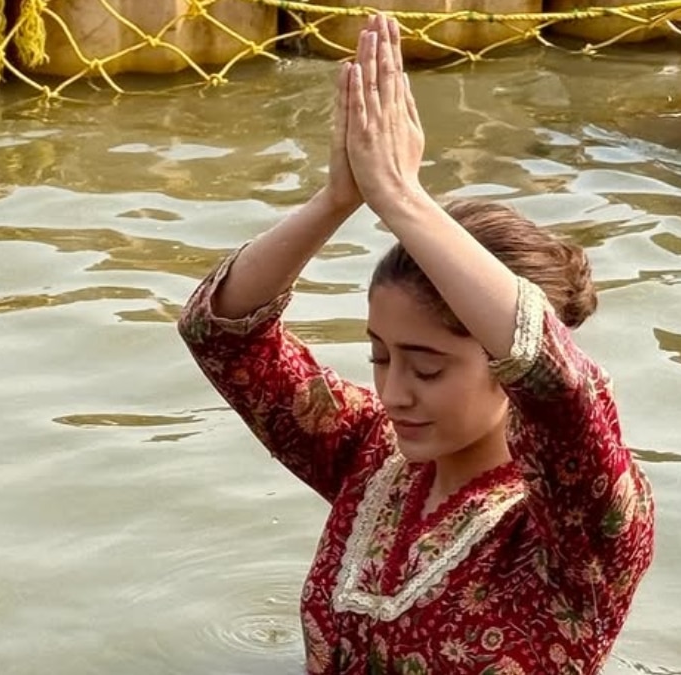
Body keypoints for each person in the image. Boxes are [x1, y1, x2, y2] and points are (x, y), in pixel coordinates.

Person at [176, 13, 655, 675]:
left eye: (426, 366)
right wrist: (335, 201)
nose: (392, 391)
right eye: (380, 355)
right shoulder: (370, 456)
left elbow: (565, 389)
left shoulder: (579, 533)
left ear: (505, 366)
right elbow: (221, 335)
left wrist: (404, 197)